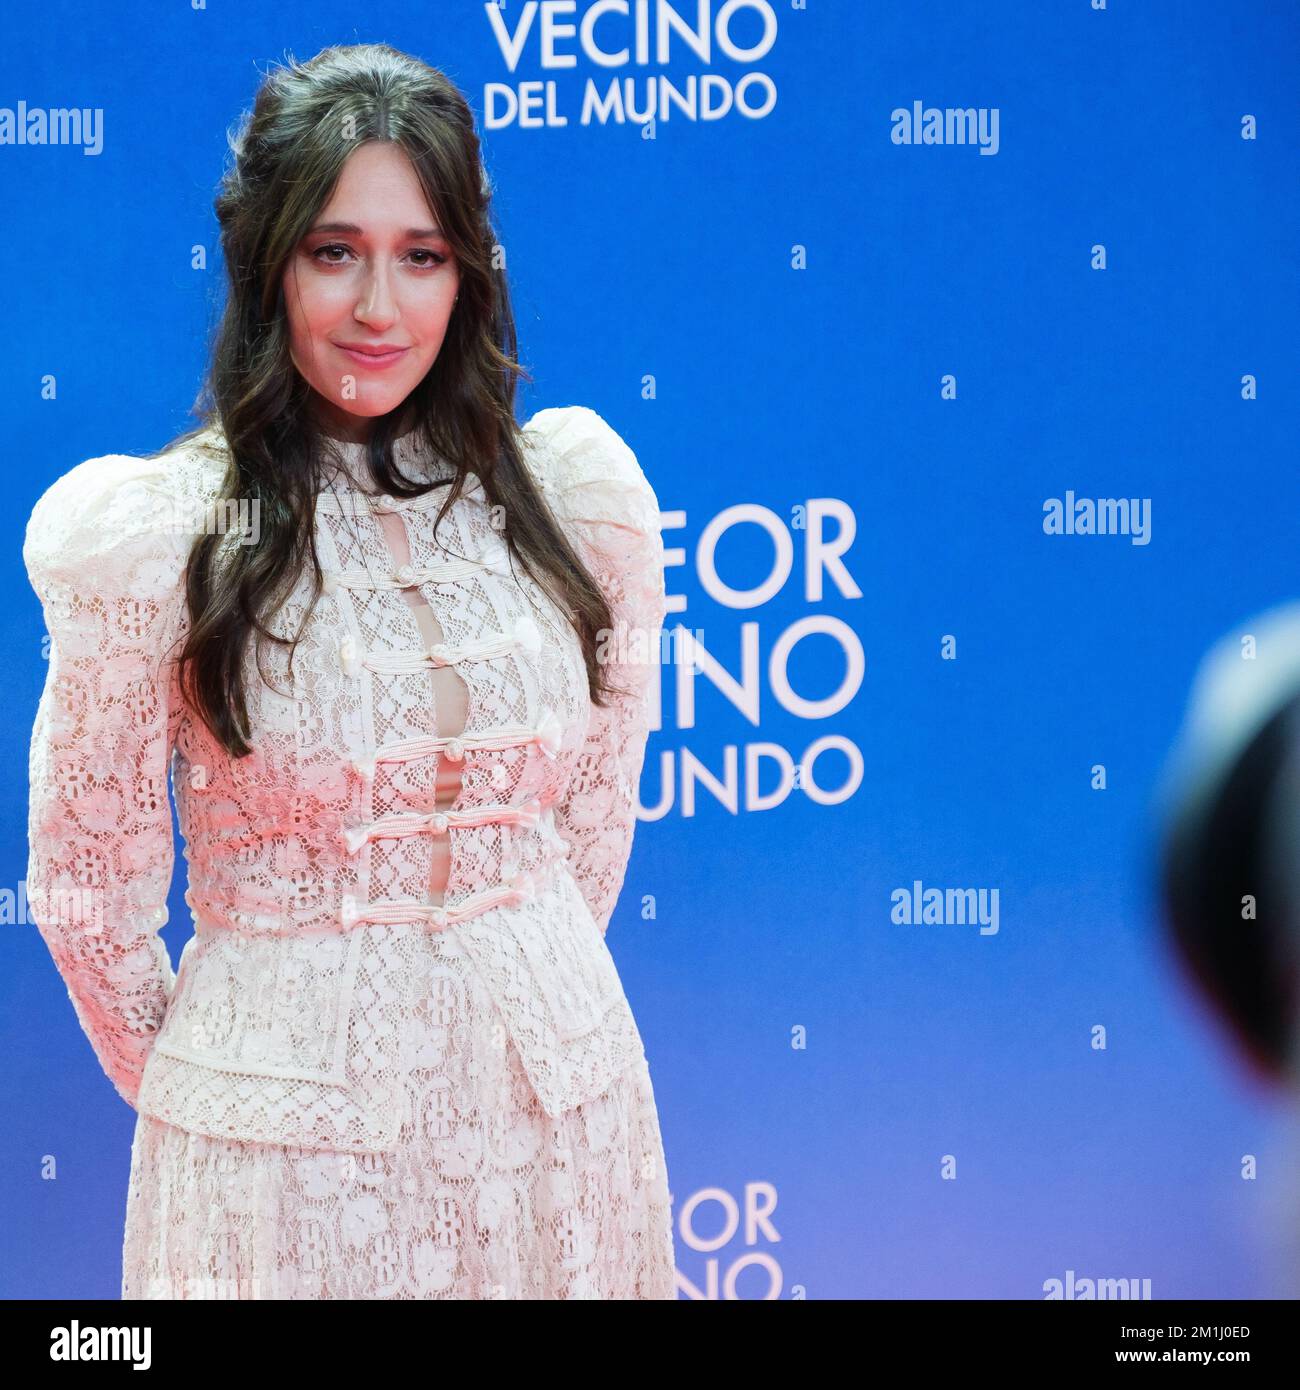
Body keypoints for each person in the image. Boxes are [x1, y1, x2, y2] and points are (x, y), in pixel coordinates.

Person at [22, 43, 675, 1300]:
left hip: (562, 1127)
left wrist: (503, 984)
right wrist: (231, 1077)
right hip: (278, 1173)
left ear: (466, 275)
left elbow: (588, 826)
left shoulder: (574, 501)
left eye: (420, 256)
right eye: (336, 251)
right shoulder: (162, 535)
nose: (380, 306)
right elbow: (88, 891)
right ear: (268, 263)